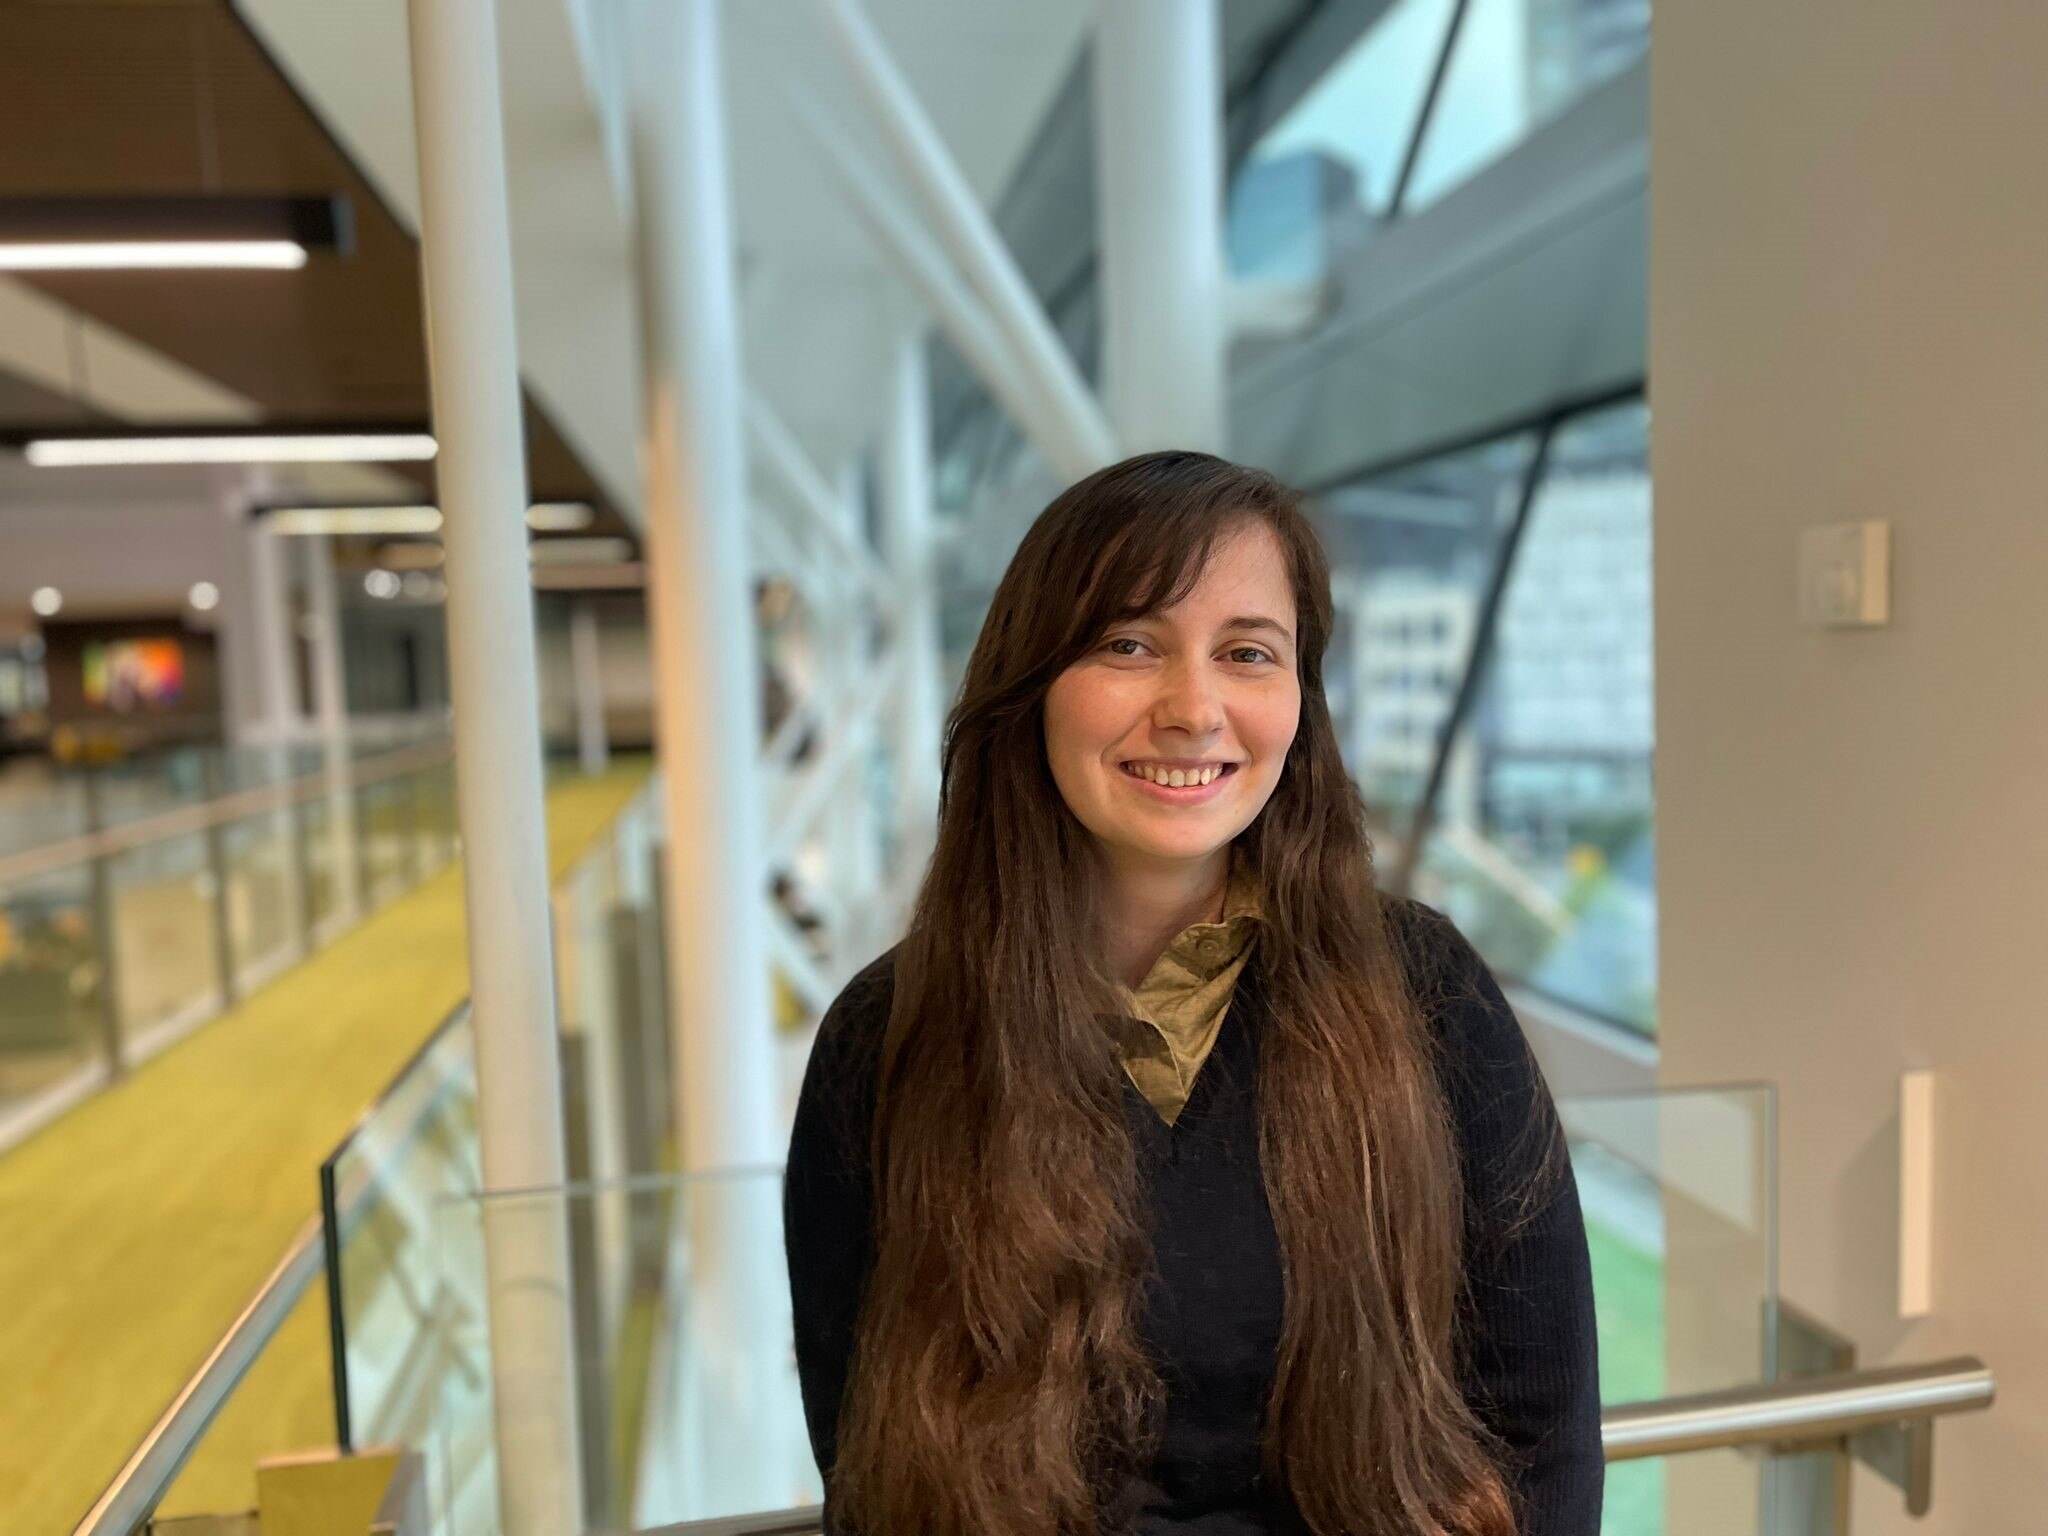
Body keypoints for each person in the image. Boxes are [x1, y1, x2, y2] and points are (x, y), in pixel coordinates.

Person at [784, 451, 1602, 1536]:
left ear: (1298, 700)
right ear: (1028, 684)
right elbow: (866, 1454)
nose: (1193, 708)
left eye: (1246, 653)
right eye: (1128, 644)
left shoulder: (1421, 996)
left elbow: (1542, 1432)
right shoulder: (890, 1035)